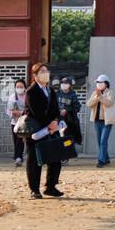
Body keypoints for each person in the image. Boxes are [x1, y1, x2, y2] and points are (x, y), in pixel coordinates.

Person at [23, 63, 63, 199]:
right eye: (42, 71)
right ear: (35, 76)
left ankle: (51, 187)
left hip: (51, 130)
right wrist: (49, 123)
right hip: (36, 131)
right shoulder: (31, 91)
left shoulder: (51, 91)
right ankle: (34, 190)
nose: (45, 73)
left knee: (55, 159)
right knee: (34, 161)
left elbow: (56, 110)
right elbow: (36, 112)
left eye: (46, 70)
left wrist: (55, 122)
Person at [89, 74, 115, 167]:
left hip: (107, 121)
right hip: (97, 120)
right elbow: (89, 103)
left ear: (106, 83)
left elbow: (109, 103)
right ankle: (106, 158)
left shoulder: (110, 92)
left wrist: (100, 97)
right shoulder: (95, 93)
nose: (98, 84)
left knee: (103, 141)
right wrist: (96, 97)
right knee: (99, 141)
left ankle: (101, 160)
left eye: (100, 82)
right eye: (97, 82)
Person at [55, 76, 82, 158]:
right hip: (58, 119)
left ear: (70, 85)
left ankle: (67, 153)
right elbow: (52, 105)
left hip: (69, 120)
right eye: (62, 83)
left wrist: (67, 110)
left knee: (68, 138)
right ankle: (61, 154)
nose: (64, 85)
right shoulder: (57, 94)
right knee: (58, 137)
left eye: (66, 83)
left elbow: (77, 107)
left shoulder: (73, 95)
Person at [6, 77, 27, 167]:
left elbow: (30, 109)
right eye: (17, 87)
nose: (19, 88)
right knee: (15, 140)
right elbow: (7, 110)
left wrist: (21, 113)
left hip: (24, 122)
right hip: (14, 122)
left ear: (25, 87)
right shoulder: (12, 97)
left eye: (21, 86)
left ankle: (19, 157)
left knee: (20, 139)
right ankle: (17, 156)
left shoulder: (27, 96)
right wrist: (12, 113)